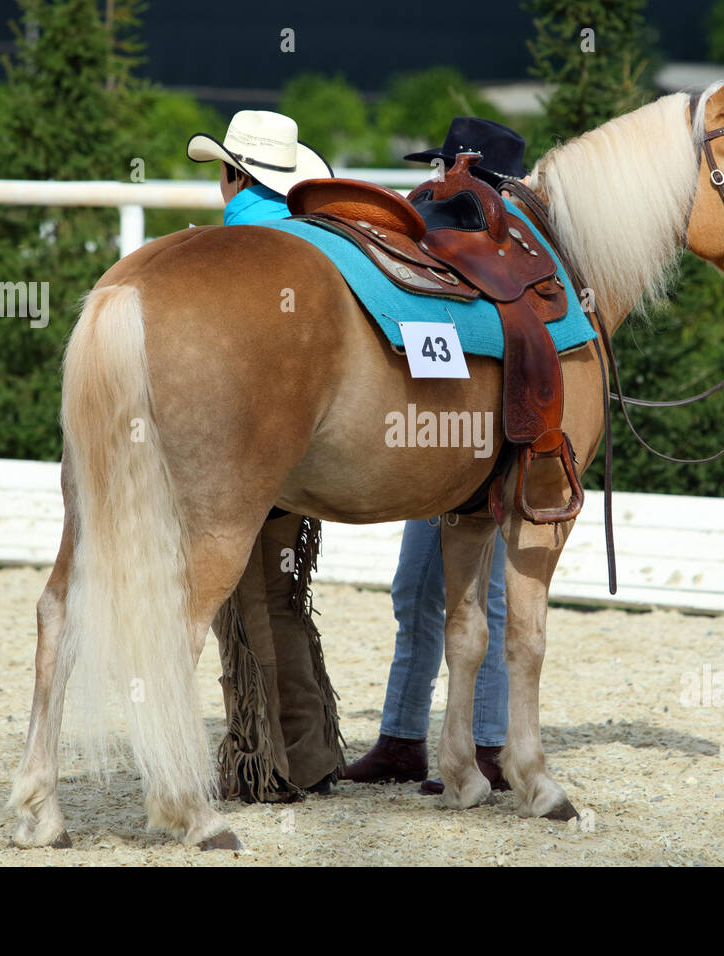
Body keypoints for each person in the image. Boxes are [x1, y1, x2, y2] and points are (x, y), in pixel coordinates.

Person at [340, 117, 533, 795]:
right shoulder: (440, 258)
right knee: (417, 591)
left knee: (488, 595)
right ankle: (401, 737)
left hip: (482, 450)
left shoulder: (505, 267)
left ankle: (488, 744)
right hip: (441, 444)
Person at [186, 111, 344, 803]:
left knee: (243, 608)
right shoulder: (311, 238)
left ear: (232, 174)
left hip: (250, 451)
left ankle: (263, 762)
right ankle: (313, 753)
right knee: (284, 600)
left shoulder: (237, 242)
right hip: (313, 455)